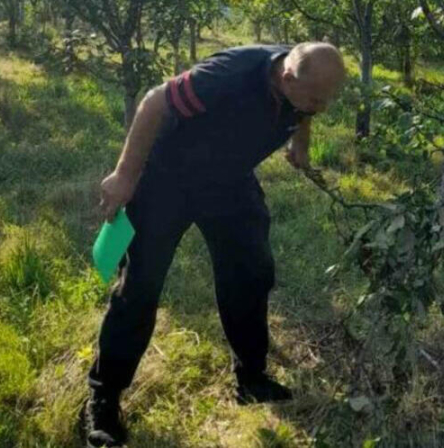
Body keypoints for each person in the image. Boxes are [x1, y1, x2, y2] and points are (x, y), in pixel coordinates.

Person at [82, 41, 346, 447]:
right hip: (166, 178)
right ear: (287, 76)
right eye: (316, 99)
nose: (320, 108)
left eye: (325, 100)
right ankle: (103, 399)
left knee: (251, 272)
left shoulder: (300, 86)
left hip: (228, 181)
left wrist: (301, 144)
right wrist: (124, 176)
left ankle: (252, 377)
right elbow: (155, 102)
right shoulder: (230, 75)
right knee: (141, 286)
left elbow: (302, 110)